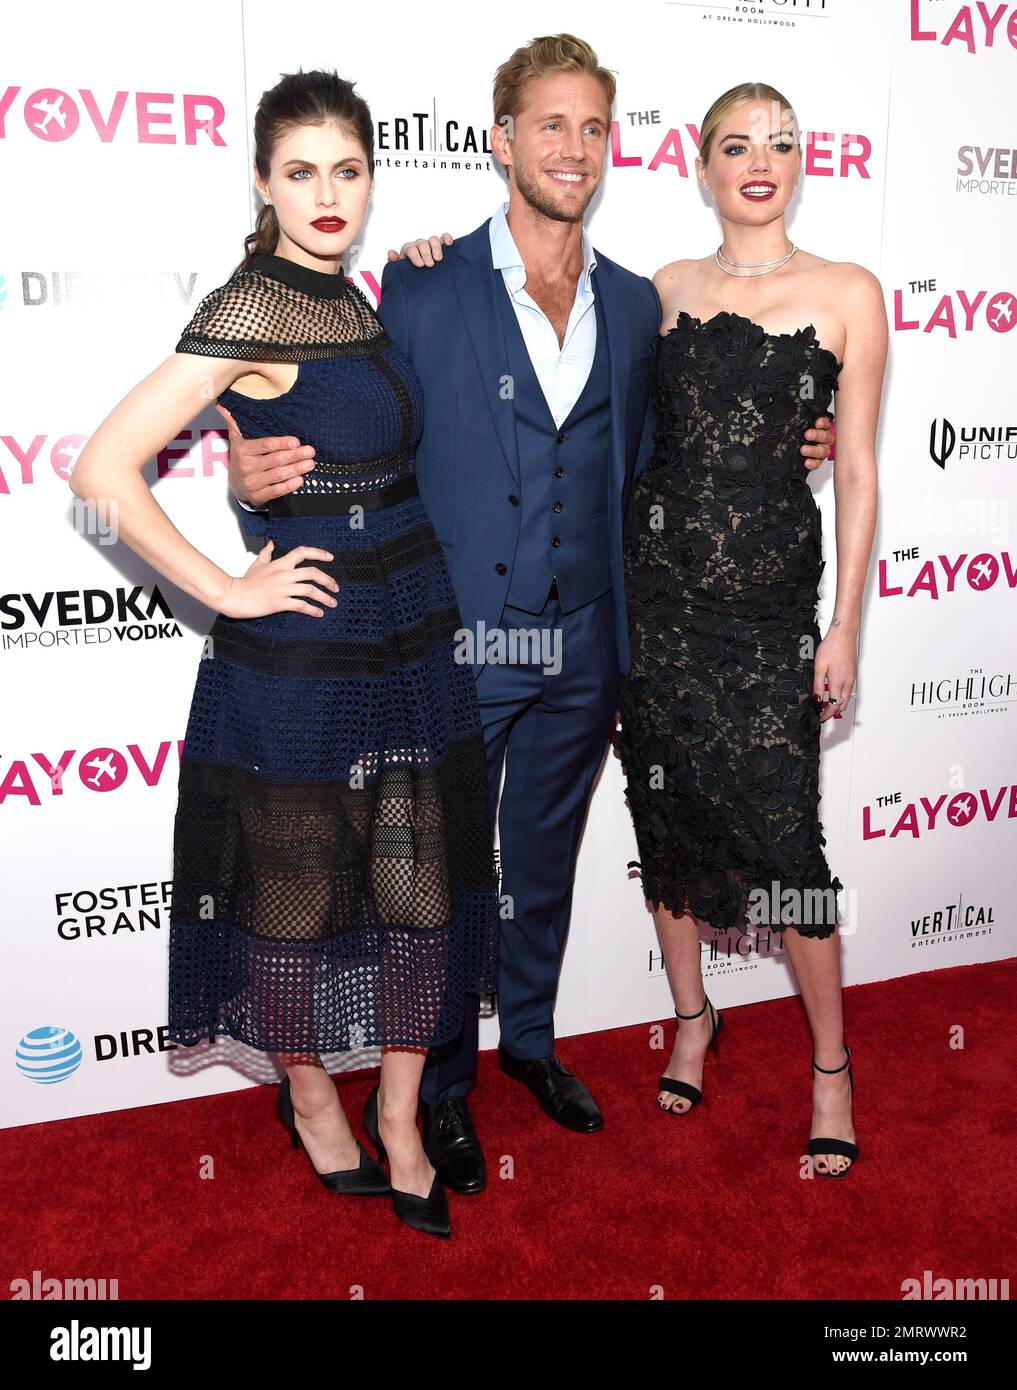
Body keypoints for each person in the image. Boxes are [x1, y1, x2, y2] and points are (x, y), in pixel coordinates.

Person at [224, 37, 835, 1195]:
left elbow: (676, 452)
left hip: (589, 637)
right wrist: (250, 484)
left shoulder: (638, 303)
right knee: (440, 869)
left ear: (613, 144)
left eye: (593, 127)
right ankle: (439, 1086)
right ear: (501, 139)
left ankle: (533, 1044)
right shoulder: (418, 280)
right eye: (548, 125)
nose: (572, 148)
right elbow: (336, 428)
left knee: (542, 856)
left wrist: (798, 444)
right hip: (455, 635)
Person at [69, 68, 500, 1239]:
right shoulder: (249, 305)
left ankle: (403, 1113)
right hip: (306, 654)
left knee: (420, 888)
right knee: (297, 899)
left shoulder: (356, 298)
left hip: (411, 625)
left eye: (347, 171)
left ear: (370, 179)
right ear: (263, 181)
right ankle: (311, 1093)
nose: (327, 194)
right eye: (301, 172)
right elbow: (102, 471)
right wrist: (224, 588)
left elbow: (330, 436)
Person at [615, 82, 884, 1177]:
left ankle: (831, 1066)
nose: (759, 160)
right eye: (737, 144)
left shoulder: (850, 292)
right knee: (664, 818)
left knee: (786, 845)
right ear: (701, 161)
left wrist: (845, 627)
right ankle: (692, 1014)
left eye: (780, 142)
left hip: (770, 615)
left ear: (802, 160)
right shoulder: (661, 291)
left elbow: (858, 469)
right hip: (657, 603)